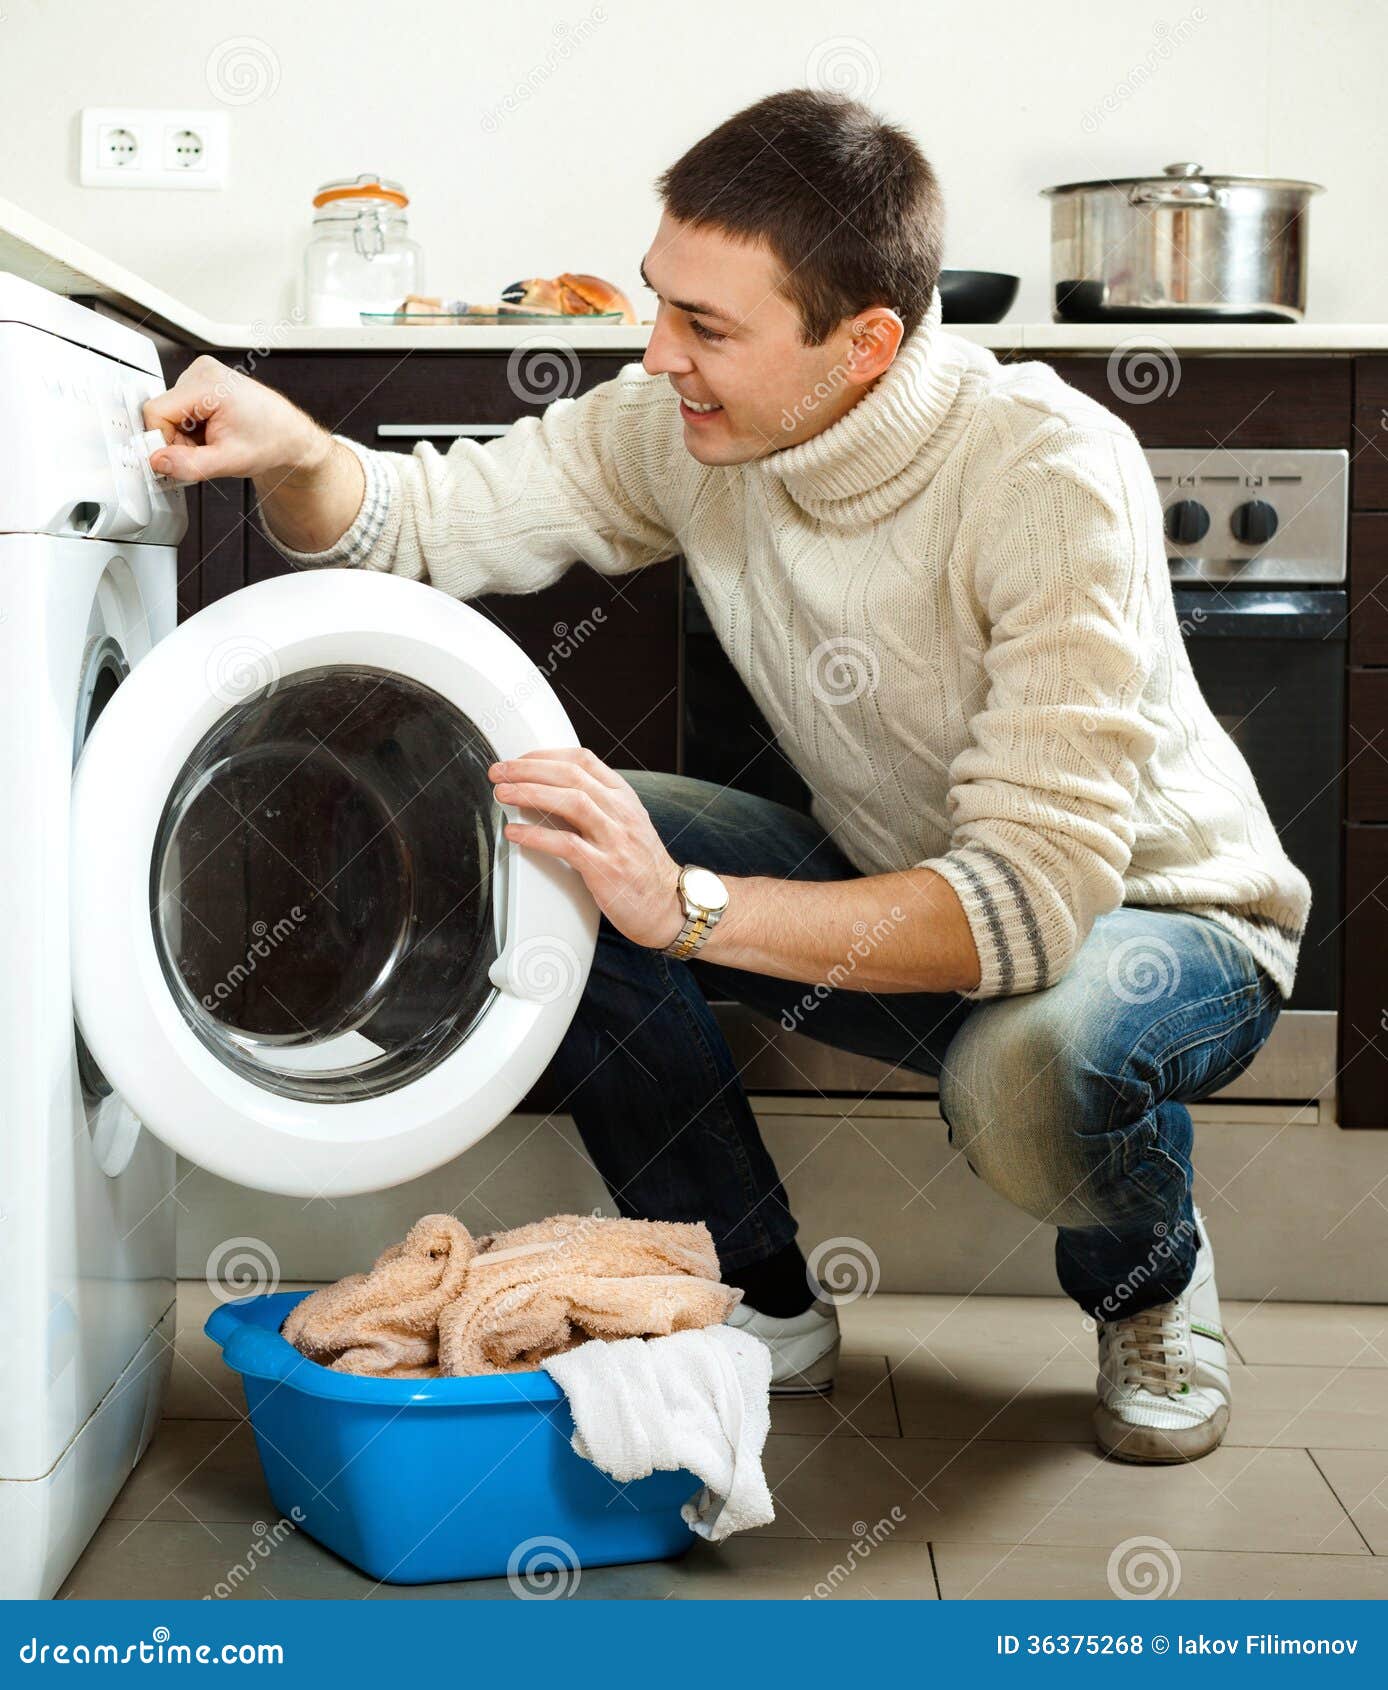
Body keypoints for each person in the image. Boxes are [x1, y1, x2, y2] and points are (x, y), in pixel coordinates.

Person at [144, 88, 1308, 1465]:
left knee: (1034, 1068)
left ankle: (1150, 1280)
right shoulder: (687, 430)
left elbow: (1030, 906)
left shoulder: (1046, 470)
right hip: (909, 884)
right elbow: (416, 522)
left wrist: (688, 906)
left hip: (1162, 924)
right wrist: (298, 453)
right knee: (543, 843)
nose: (658, 354)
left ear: (863, 346)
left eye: (706, 326)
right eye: (659, 301)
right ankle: (753, 1297)